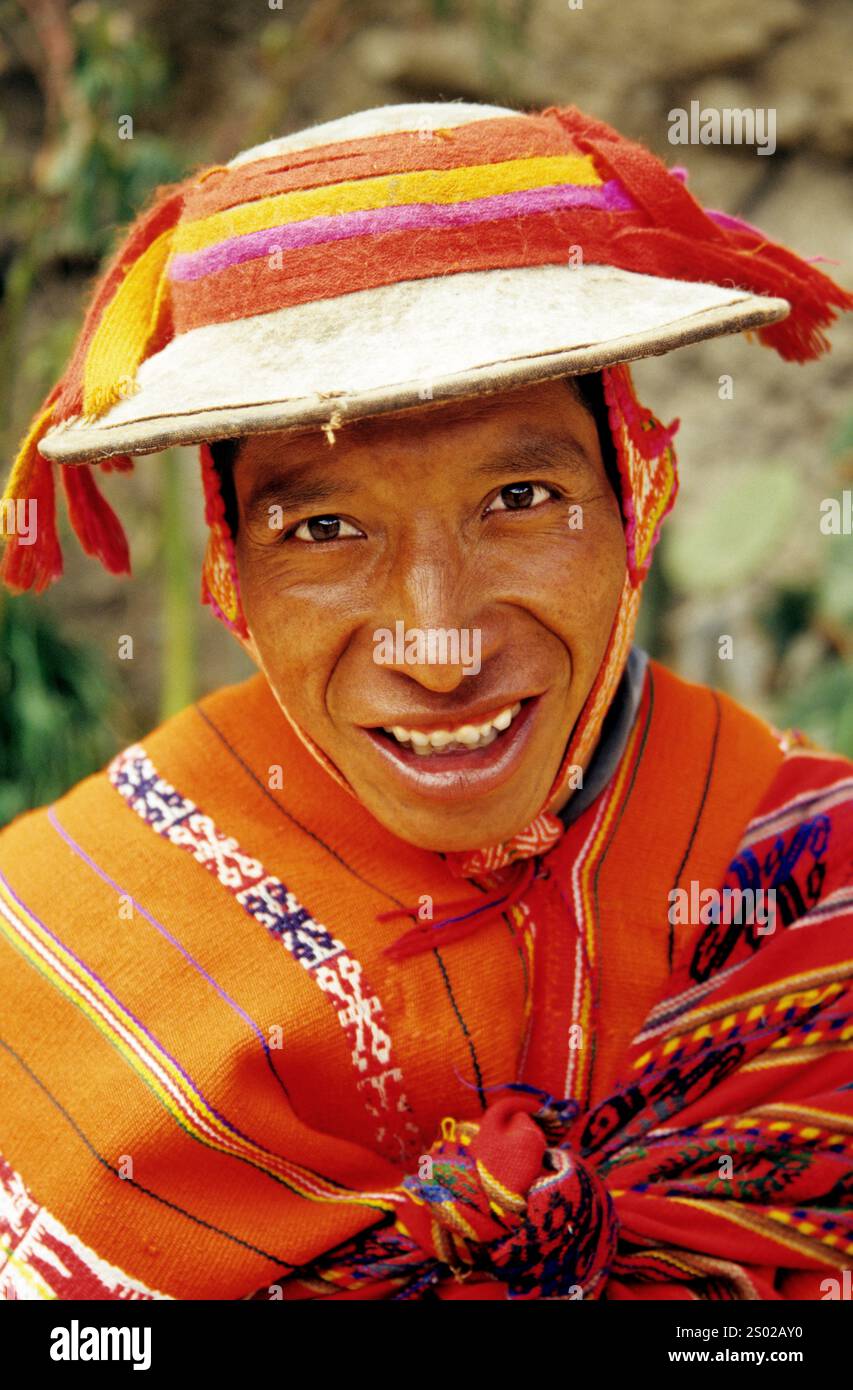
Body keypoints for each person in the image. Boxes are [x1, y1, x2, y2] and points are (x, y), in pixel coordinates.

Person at [0, 100, 851, 1302]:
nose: (438, 645)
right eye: (325, 529)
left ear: (637, 496)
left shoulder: (812, 884)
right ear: (232, 573)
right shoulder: (45, 948)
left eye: (517, 497)